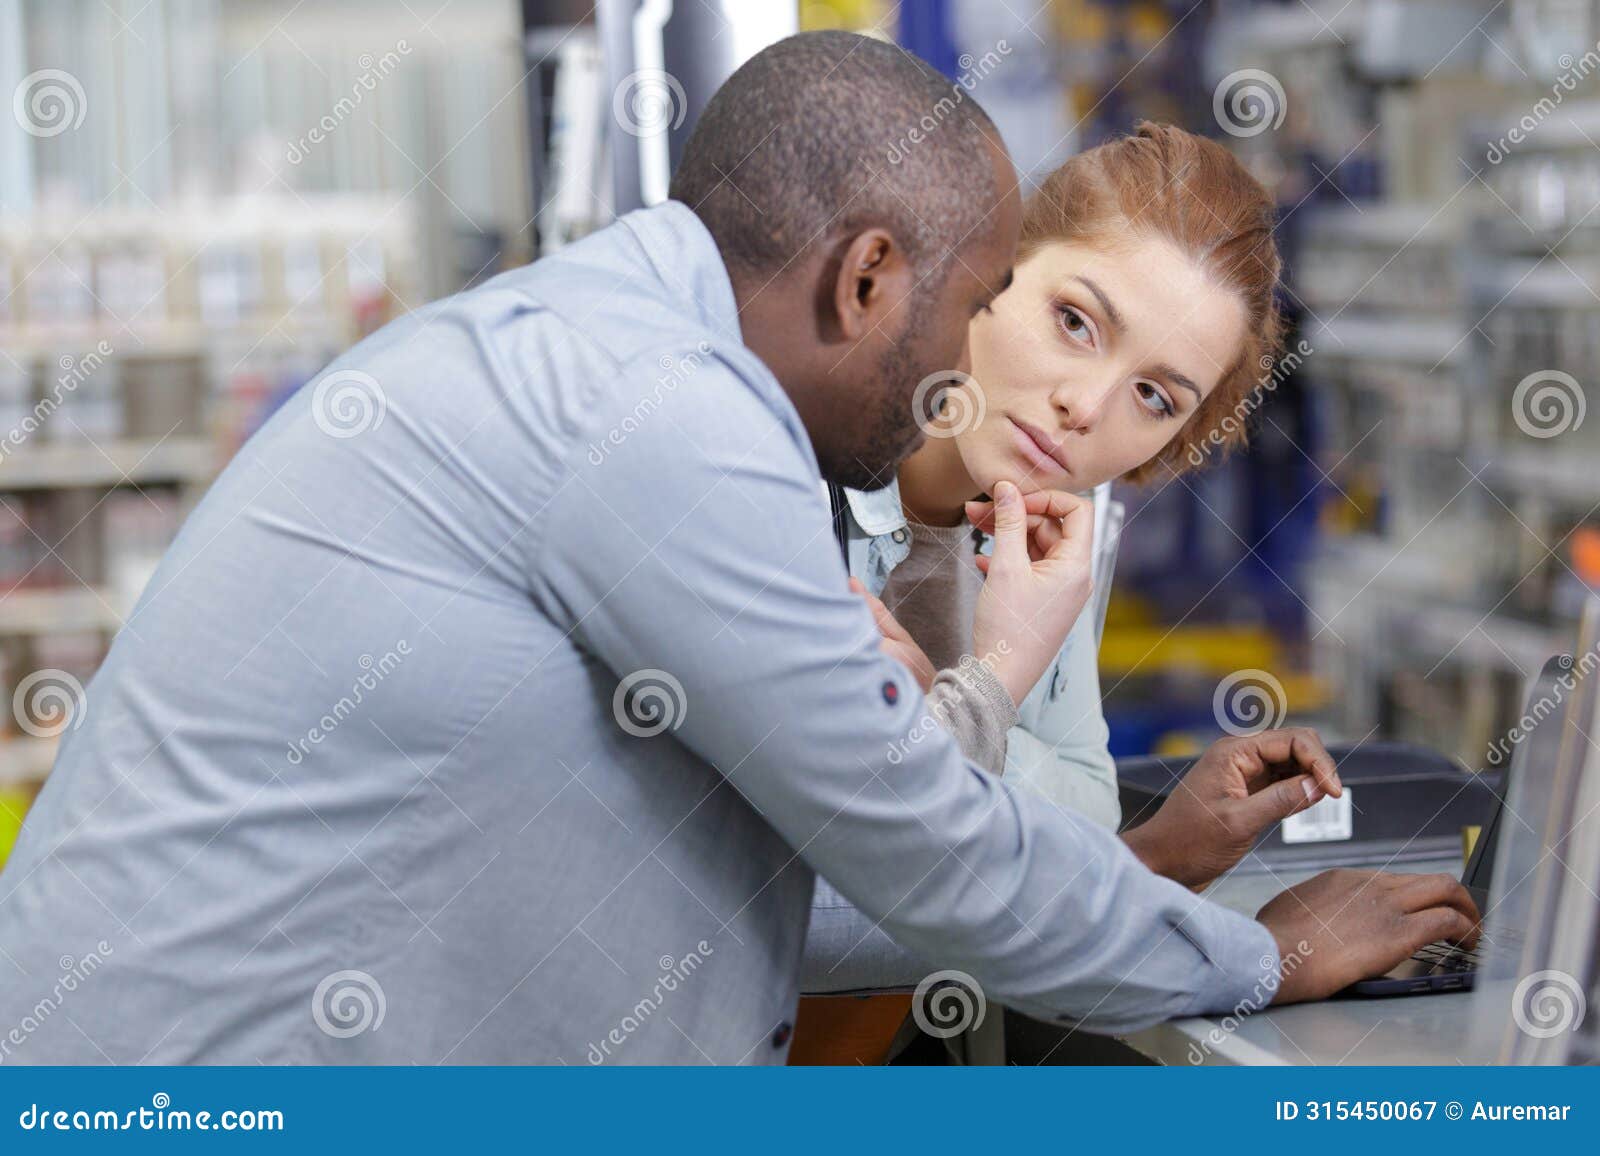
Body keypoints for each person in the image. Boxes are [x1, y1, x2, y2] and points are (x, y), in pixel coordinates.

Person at [0, 32, 1477, 1066]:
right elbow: (921, 853)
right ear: (871, 278)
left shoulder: (630, 355)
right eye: (996, 311)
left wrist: (1082, 811)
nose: (1047, 392)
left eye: (1151, 397)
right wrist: (1260, 956)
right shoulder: (671, 421)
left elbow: (783, 883)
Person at [792, 121, 1318, 1063]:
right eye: (1076, 321)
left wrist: (941, 733)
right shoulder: (797, 465)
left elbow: (1085, 809)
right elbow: (824, 888)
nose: (1088, 405)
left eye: (1156, 397)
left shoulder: (1066, 502)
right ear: (989, 275)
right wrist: (998, 676)